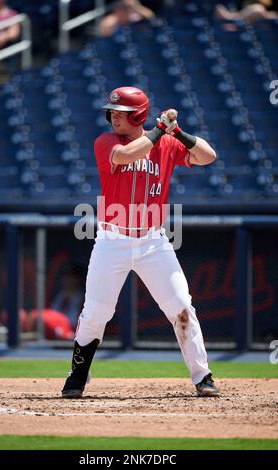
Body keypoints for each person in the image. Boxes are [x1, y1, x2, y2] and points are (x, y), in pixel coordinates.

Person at [62, 86, 220, 399]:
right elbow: (126, 155)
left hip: (153, 242)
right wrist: (161, 130)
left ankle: (203, 377)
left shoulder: (167, 143)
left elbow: (208, 156)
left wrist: (177, 132)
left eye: (121, 113)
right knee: (96, 313)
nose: (114, 117)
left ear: (138, 115)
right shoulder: (107, 141)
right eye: (113, 111)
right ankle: (77, 377)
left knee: (182, 307)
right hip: (112, 240)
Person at [50, 264, 85, 330]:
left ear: (78, 279)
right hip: (56, 332)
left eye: (71, 276)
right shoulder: (59, 296)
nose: (67, 280)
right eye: (65, 276)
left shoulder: (84, 299)